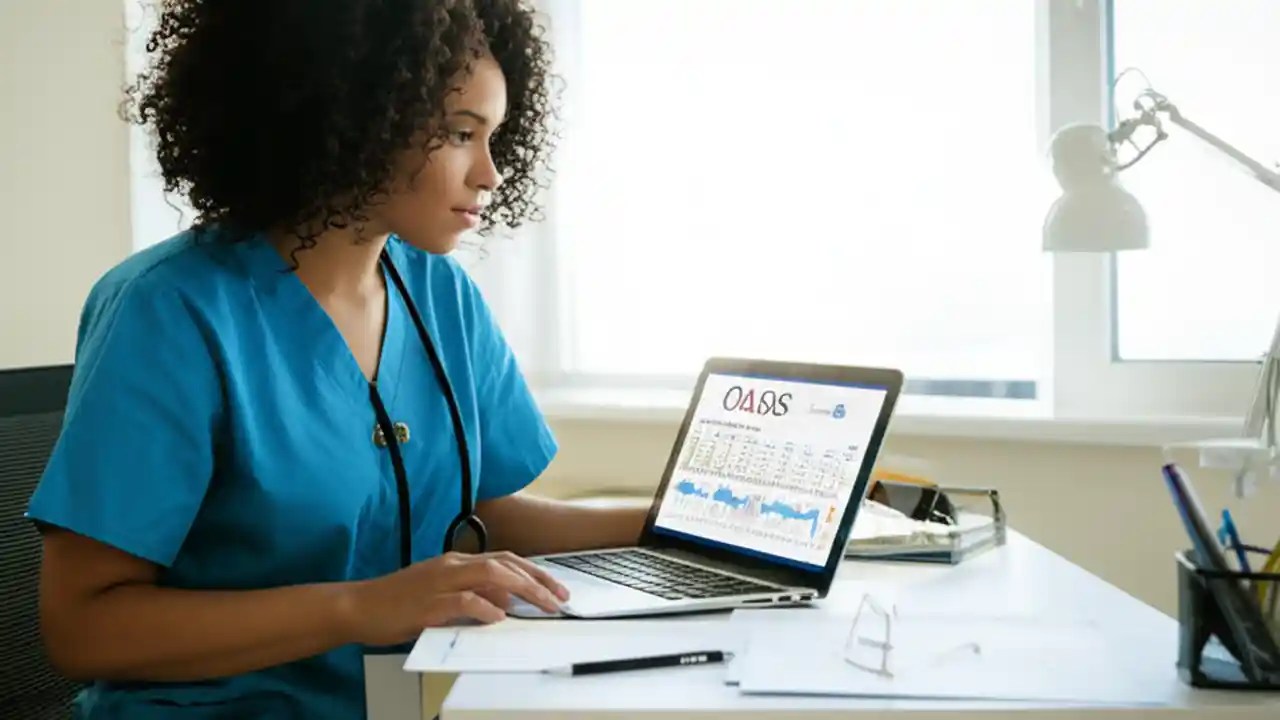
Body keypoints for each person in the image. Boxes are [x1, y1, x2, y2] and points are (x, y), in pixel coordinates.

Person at [26, 1, 648, 717]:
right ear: (353, 118)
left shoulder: (440, 292)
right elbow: (82, 628)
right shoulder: (167, 309)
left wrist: (678, 524)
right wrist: (358, 607)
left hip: (417, 703)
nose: (490, 174)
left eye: (496, 137)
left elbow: (486, 514)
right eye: (459, 134)